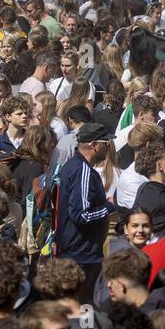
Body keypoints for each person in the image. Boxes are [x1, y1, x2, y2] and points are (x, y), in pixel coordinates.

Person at [55, 122, 116, 302]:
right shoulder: (82, 170)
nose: (108, 147)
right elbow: (81, 215)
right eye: (106, 143)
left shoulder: (74, 166)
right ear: (95, 145)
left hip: (77, 253)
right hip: (82, 256)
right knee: (84, 308)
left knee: (74, 306)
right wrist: (109, 207)